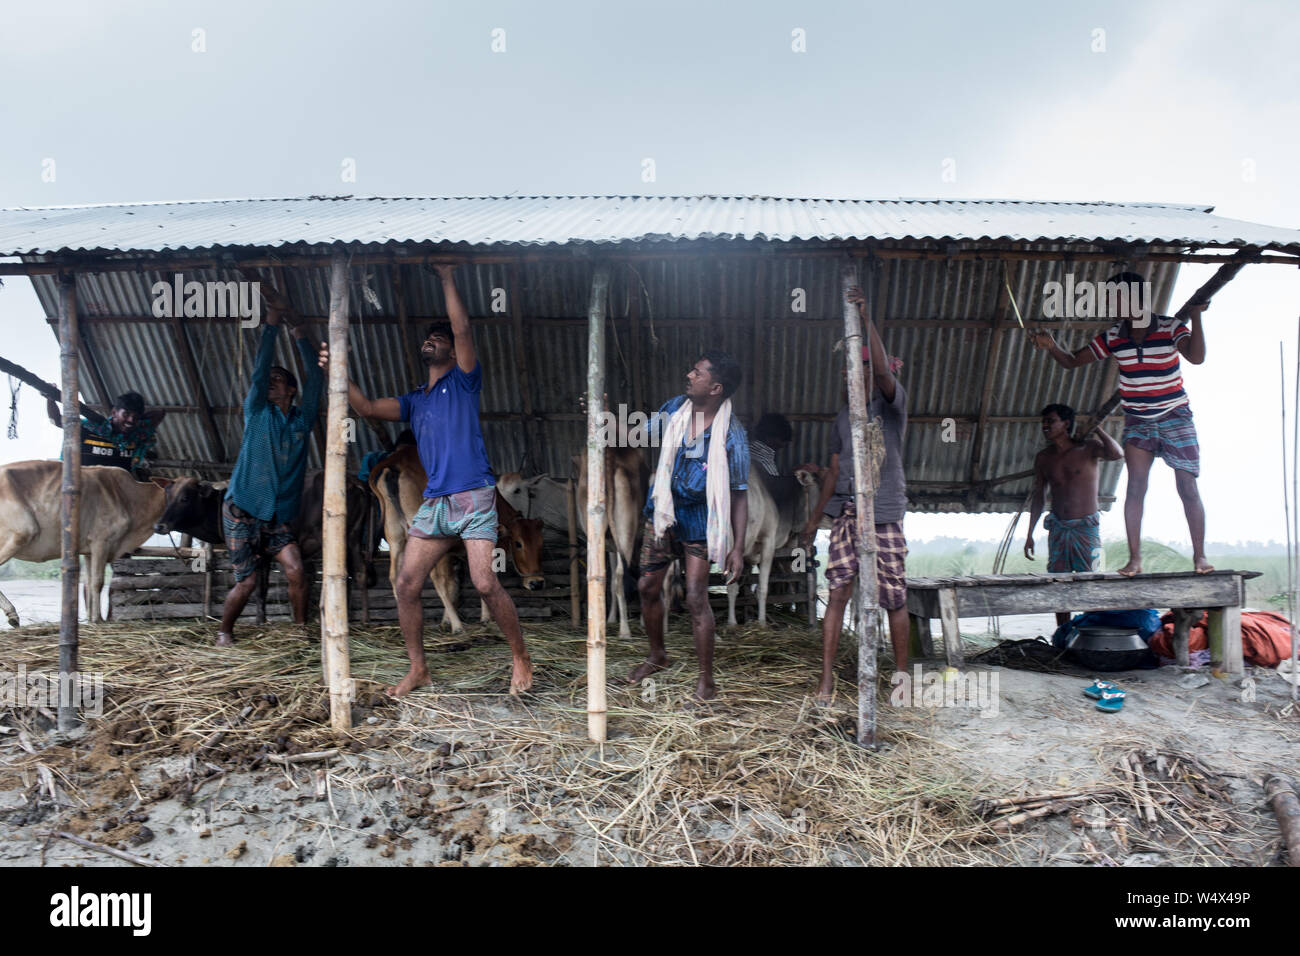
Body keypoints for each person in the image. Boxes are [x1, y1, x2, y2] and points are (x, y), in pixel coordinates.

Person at [320, 264, 532, 698]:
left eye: (438, 338)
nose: (429, 340)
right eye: (427, 337)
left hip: (474, 496)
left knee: (486, 582)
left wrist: (448, 277)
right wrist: (335, 371)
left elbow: (464, 327)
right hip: (436, 503)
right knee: (406, 584)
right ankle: (419, 669)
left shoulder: (465, 382)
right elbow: (365, 408)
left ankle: (520, 657)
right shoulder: (415, 401)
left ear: (453, 351)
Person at [1030, 272, 1211, 575]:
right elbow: (1073, 361)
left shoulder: (1170, 328)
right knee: (1136, 488)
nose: (1110, 304)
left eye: (1114, 297)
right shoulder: (1114, 336)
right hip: (1138, 419)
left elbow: (1197, 357)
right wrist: (1051, 346)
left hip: (1175, 416)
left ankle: (1200, 557)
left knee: (1187, 486)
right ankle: (1135, 560)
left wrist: (1196, 318)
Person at [803, 285, 908, 705]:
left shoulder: (892, 405)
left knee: (893, 597)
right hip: (847, 513)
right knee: (838, 594)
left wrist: (866, 321)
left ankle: (901, 683)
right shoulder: (843, 417)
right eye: (850, 370)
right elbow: (833, 469)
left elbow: (883, 372)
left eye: (859, 370)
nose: (853, 377)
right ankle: (827, 681)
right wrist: (814, 521)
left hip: (882, 514)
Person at [630, 350, 749, 703]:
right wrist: (604, 417)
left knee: (697, 597)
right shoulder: (674, 409)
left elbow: (739, 495)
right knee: (647, 585)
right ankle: (657, 656)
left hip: (700, 521)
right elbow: (639, 436)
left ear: (715, 388)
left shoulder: (733, 435)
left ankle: (706, 682)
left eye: (696, 373)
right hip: (663, 513)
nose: (689, 375)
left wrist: (737, 546)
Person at [216, 306, 321, 646]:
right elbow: (258, 373)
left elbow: (316, 381)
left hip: (276, 518)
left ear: (291, 390)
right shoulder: (257, 412)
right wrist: (271, 328)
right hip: (242, 509)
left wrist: (302, 337)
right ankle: (224, 633)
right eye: (270, 380)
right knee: (246, 582)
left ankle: (300, 632)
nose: (270, 383)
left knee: (296, 570)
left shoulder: (302, 422)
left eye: (279, 380)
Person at [1024, 403, 1125, 626]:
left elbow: (1117, 453)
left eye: (1051, 421)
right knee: (1058, 583)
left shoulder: (1088, 448)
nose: (1045, 426)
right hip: (1058, 527)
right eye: (1044, 422)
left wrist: (1096, 428)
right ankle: (1063, 633)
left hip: (1086, 528)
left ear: (1066, 423)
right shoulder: (1044, 457)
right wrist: (1030, 533)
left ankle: (1094, 632)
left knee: (1090, 582)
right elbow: (1039, 496)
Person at [47, 391, 166, 478]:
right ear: (114, 412)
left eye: (135, 417)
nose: (130, 420)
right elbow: (56, 420)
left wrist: (139, 420)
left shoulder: (136, 437)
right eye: (126, 414)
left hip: (109, 497)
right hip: (76, 487)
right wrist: (50, 398)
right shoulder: (90, 427)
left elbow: (160, 413)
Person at [749, 412, 792, 478]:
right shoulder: (764, 461)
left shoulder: (748, 449)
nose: (784, 444)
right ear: (769, 438)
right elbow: (775, 486)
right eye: (782, 439)